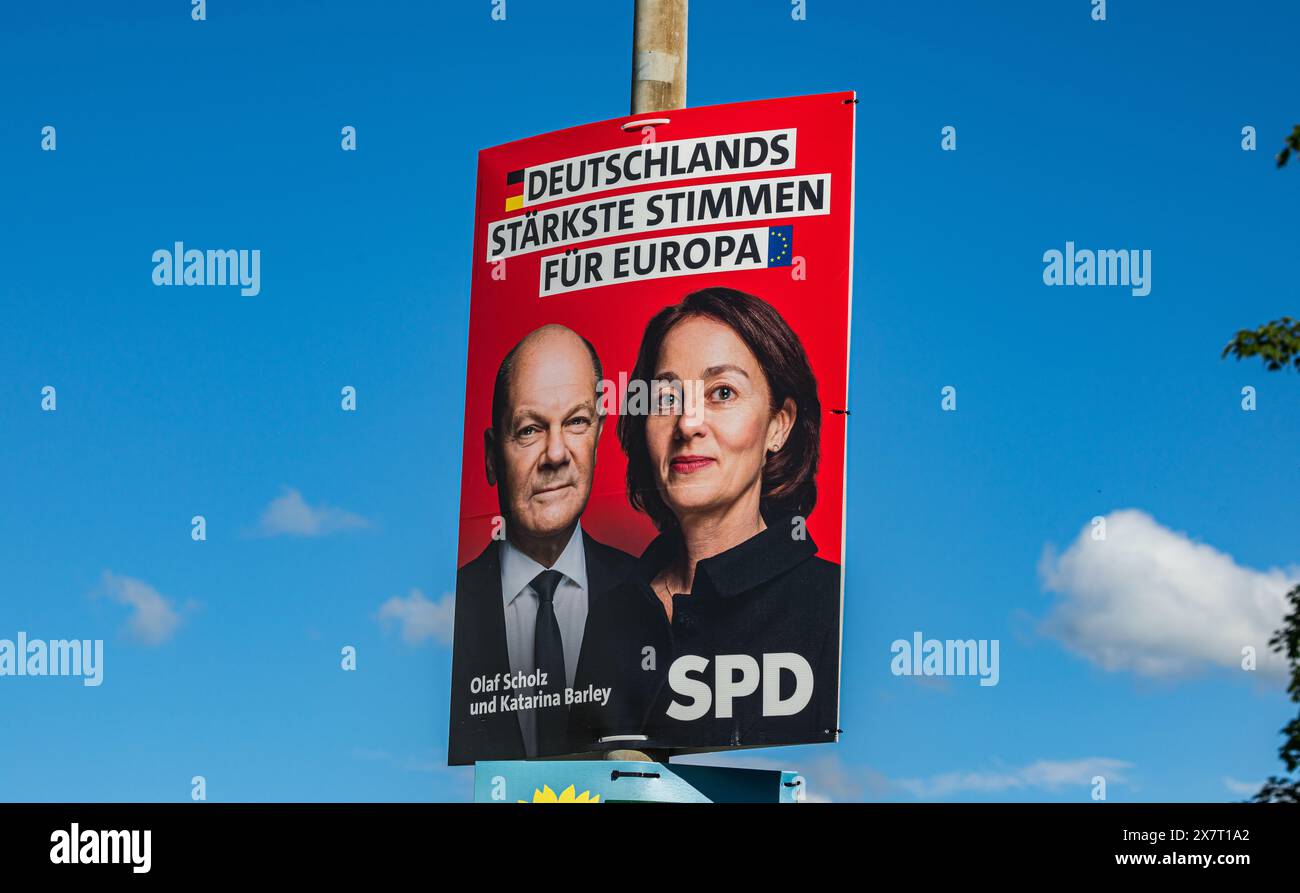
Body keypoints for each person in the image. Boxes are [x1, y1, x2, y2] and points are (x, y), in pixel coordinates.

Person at [571, 287, 841, 753]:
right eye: (666, 397)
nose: (688, 423)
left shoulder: (833, 607)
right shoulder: (602, 612)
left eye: (722, 392)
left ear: (779, 425)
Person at [448, 325, 636, 765]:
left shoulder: (650, 595)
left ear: (598, 434)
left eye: (576, 422)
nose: (556, 454)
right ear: (493, 456)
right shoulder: (449, 612)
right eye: (530, 429)